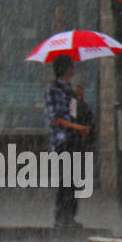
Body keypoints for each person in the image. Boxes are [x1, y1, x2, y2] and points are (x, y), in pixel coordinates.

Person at [44, 54, 91, 228]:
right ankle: (61, 216)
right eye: (72, 66)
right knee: (66, 179)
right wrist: (77, 128)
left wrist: (79, 98)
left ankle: (69, 216)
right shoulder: (54, 89)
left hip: (74, 140)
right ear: (67, 69)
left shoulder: (70, 90)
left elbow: (76, 113)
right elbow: (56, 119)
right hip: (62, 141)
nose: (73, 69)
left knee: (74, 180)